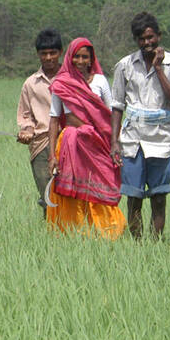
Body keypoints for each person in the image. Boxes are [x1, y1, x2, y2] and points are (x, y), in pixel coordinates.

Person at [109, 12, 170, 239]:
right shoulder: (125, 65)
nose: (147, 43)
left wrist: (159, 68)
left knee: (159, 196)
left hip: (161, 139)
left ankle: (156, 244)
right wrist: (114, 141)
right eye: (141, 39)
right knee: (133, 197)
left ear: (159, 36)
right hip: (132, 139)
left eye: (150, 37)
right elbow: (117, 105)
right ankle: (138, 245)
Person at [45, 37, 125, 238]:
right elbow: (54, 120)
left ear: (91, 60)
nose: (80, 61)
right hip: (71, 143)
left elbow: (110, 114)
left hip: (98, 144)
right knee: (73, 193)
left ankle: (107, 233)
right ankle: (74, 233)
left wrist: (115, 143)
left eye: (85, 57)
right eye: (76, 57)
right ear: (69, 59)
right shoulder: (62, 84)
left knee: (101, 188)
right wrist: (51, 156)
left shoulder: (100, 81)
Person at [17, 28, 64, 210]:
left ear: (60, 53)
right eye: (44, 53)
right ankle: (50, 233)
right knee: (47, 195)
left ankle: (71, 234)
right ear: (38, 54)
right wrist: (27, 130)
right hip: (41, 144)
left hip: (67, 140)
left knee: (70, 194)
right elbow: (25, 115)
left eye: (53, 53)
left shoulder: (70, 79)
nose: (49, 57)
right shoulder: (31, 83)